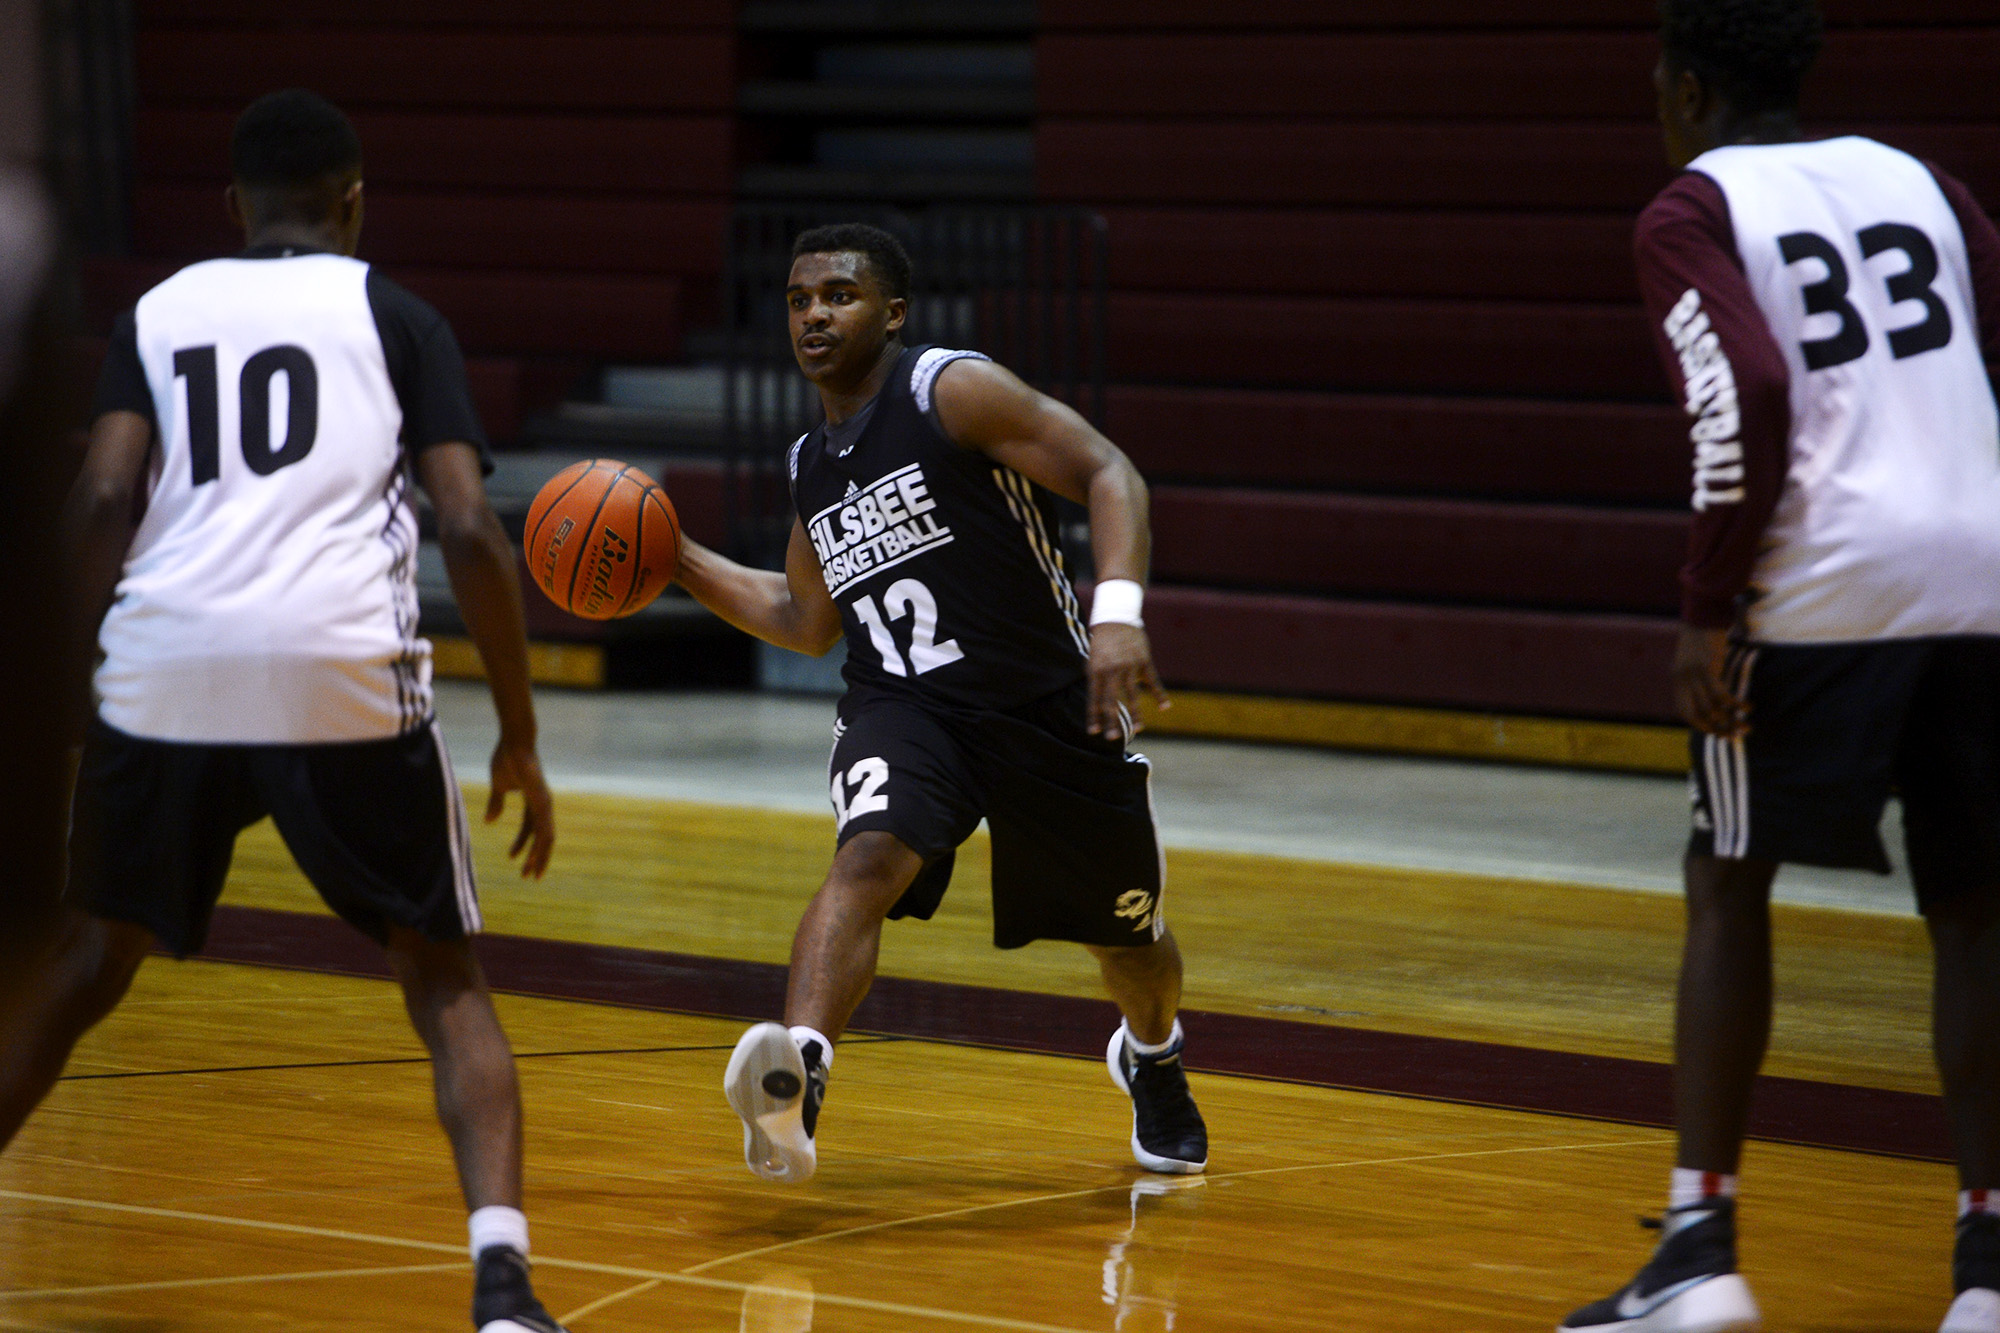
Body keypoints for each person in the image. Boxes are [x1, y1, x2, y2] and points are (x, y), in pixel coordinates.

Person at [0, 90, 569, 1333]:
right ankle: (504, 1287)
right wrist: (519, 732)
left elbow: (100, 498)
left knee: (85, 960)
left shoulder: (157, 312)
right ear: (354, 202)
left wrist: (51, 694)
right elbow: (469, 526)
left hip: (164, 666)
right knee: (442, 977)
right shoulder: (398, 317)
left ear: (232, 207)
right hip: (339, 666)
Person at [1562, 2, 2000, 1331]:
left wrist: (1706, 608)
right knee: (1973, 912)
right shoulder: (1922, 183)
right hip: (1979, 574)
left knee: (1727, 879)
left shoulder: (1691, 211)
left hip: (1819, 585)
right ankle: (1987, 1274)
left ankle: (1699, 1251)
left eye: (1657, 81)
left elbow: (1741, 394)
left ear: (1692, 88)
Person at [673, 223, 1208, 1183]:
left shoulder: (948, 389)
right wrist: (675, 557)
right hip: (905, 707)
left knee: (1127, 939)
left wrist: (1118, 614)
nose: (813, 315)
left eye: (838, 295)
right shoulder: (811, 462)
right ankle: (799, 1077)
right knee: (868, 856)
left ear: (893, 312)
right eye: (798, 300)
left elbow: (1108, 471)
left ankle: (1153, 1055)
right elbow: (805, 619)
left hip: (1044, 701)